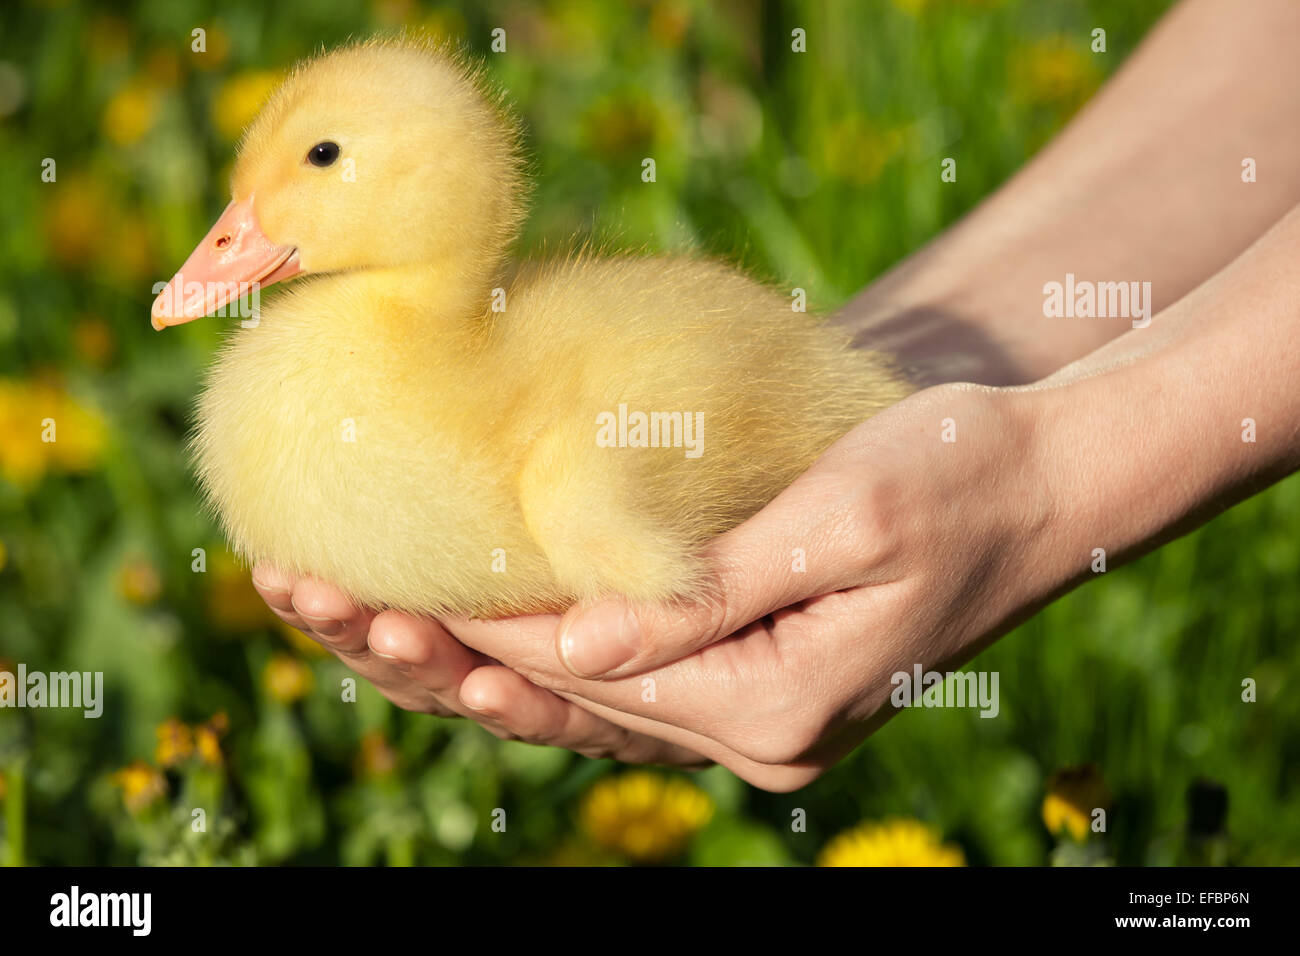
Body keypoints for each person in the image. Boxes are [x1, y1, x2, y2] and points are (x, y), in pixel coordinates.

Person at [251, 0, 1300, 791]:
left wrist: (1061, 474)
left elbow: (623, 480)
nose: (237, 229)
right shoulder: (444, 348)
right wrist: (939, 364)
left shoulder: (572, 470)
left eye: (322, 159)